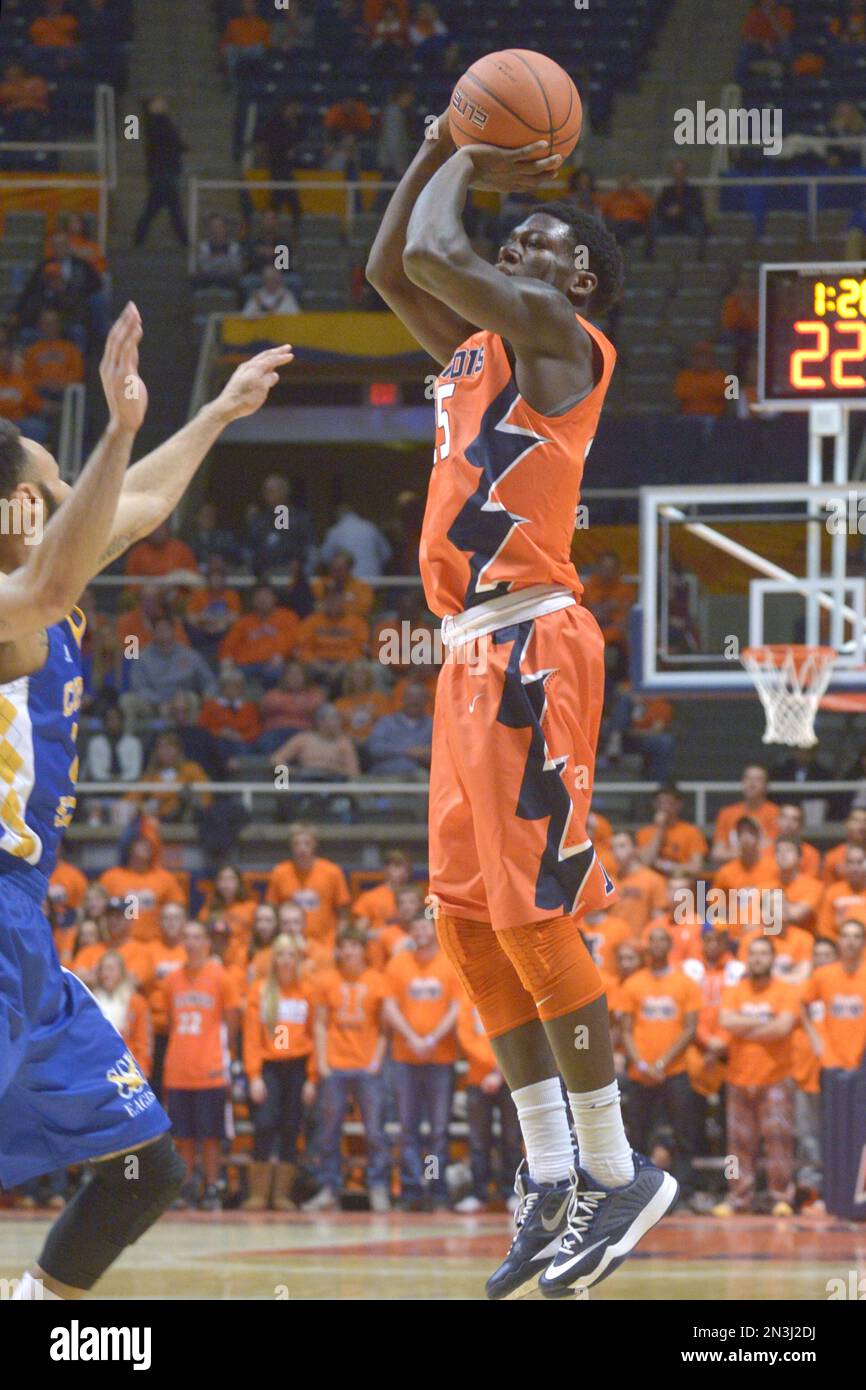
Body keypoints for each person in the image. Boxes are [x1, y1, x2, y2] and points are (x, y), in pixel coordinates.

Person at [366, 104, 675, 1298]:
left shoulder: (560, 338)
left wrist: (465, 145)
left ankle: (615, 1166)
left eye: (540, 241)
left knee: (535, 914)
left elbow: (442, 254)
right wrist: (436, 146)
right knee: (464, 918)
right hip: (463, 652)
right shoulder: (471, 352)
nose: (517, 253)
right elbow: (397, 262)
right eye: (516, 239)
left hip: (533, 644)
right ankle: (549, 1170)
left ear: (577, 276)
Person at [0, 307, 286, 1300]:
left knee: (141, 1167)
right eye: (58, 476)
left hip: (26, 927)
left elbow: (147, 501)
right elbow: (42, 590)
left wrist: (214, 411)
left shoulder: (51, 581)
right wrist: (117, 431)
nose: (87, 492)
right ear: (24, 509)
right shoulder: (15, 603)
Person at [305, 927, 390, 1212]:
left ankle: (378, 1186)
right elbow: (318, 1022)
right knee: (328, 1132)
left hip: (367, 1067)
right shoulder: (326, 980)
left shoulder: (377, 980)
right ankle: (329, 1188)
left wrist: (376, 1060)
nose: (350, 951)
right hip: (336, 1066)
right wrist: (321, 1062)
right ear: (338, 949)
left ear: (363, 949)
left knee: (375, 1132)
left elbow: (384, 1027)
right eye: (345, 945)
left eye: (355, 945)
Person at [715, 937, 798, 1216]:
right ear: (747, 959)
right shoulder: (734, 990)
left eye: (764, 954)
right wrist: (766, 1022)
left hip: (776, 1078)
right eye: (754, 954)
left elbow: (783, 1028)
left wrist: (745, 1026)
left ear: (773, 958)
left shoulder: (786, 990)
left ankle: (781, 1197)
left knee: (779, 1142)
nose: (758, 959)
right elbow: (727, 1022)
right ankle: (737, 1197)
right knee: (737, 1146)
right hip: (739, 1077)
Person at [383, 913, 460, 1211]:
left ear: (435, 929)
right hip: (404, 1057)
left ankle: (436, 1187)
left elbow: (456, 1007)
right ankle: (412, 1189)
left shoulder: (448, 963)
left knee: (439, 1129)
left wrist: (431, 1039)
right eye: (415, 927)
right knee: (408, 1127)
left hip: (439, 1057)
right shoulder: (398, 964)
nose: (421, 932)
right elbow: (390, 1006)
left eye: (425, 926)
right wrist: (413, 1038)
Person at [619, 925, 701, 1204]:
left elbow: (690, 1028)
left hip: (675, 1071)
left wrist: (663, 1062)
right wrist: (642, 1063)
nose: (656, 945)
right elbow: (626, 1029)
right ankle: (638, 1194)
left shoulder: (685, 983)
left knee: (682, 1133)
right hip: (640, 1074)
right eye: (651, 940)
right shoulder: (633, 984)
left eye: (661, 940)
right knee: (638, 1133)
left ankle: (683, 1193)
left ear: (670, 945)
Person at [163, 920, 241, 1210]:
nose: (192, 943)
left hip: (210, 1069)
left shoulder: (221, 976)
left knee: (210, 1137)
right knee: (182, 1136)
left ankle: (211, 1187)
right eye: (188, 937)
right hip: (179, 1069)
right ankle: (186, 1188)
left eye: (198, 937)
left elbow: (232, 1022)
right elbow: (172, 1022)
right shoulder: (171, 979)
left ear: (207, 941)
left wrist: (221, 1055)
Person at [243, 934, 314, 1211]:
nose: (285, 961)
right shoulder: (259, 991)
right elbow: (250, 1037)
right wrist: (253, 1075)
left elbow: (314, 1034)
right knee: (264, 1124)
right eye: (280, 955)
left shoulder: (307, 991)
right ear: (273, 960)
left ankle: (282, 1194)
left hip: (297, 1066)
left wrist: (313, 1077)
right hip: (268, 1066)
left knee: (290, 1126)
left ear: (297, 961)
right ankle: (258, 1193)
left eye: (290, 955)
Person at [265, 822, 351, 948]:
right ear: (291, 846)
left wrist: (338, 945)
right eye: (297, 844)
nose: (302, 848)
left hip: (325, 944)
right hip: (288, 946)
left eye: (307, 843)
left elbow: (343, 914)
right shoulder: (279, 872)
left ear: (315, 844)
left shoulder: (332, 872)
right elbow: (272, 911)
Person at [133, 96, 189, 248]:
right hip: (164, 174)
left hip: (162, 173)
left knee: (158, 211)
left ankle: (138, 240)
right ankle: (185, 243)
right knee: (172, 211)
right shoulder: (157, 122)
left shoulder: (155, 123)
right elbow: (172, 142)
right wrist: (183, 147)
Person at [636, 784, 707, 877]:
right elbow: (646, 862)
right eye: (660, 802)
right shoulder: (644, 833)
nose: (664, 807)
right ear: (654, 804)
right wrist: (660, 829)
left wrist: (665, 866)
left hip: (681, 882)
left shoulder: (691, 832)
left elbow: (696, 868)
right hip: (652, 883)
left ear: (678, 804)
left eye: (669, 802)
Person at [365, 680, 433, 777]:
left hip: (418, 779)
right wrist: (406, 751)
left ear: (426, 701)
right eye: (411, 697)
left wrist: (428, 753)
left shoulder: (433, 725)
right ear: (403, 699)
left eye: (419, 697)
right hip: (384, 776)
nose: (415, 701)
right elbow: (374, 748)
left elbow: (442, 754)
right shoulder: (386, 722)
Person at [320, 503, 392, 577]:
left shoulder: (336, 530)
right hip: (374, 578)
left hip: (350, 582)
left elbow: (325, 557)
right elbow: (387, 553)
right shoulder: (371, 527)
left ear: (338, 516)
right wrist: (375, 566)